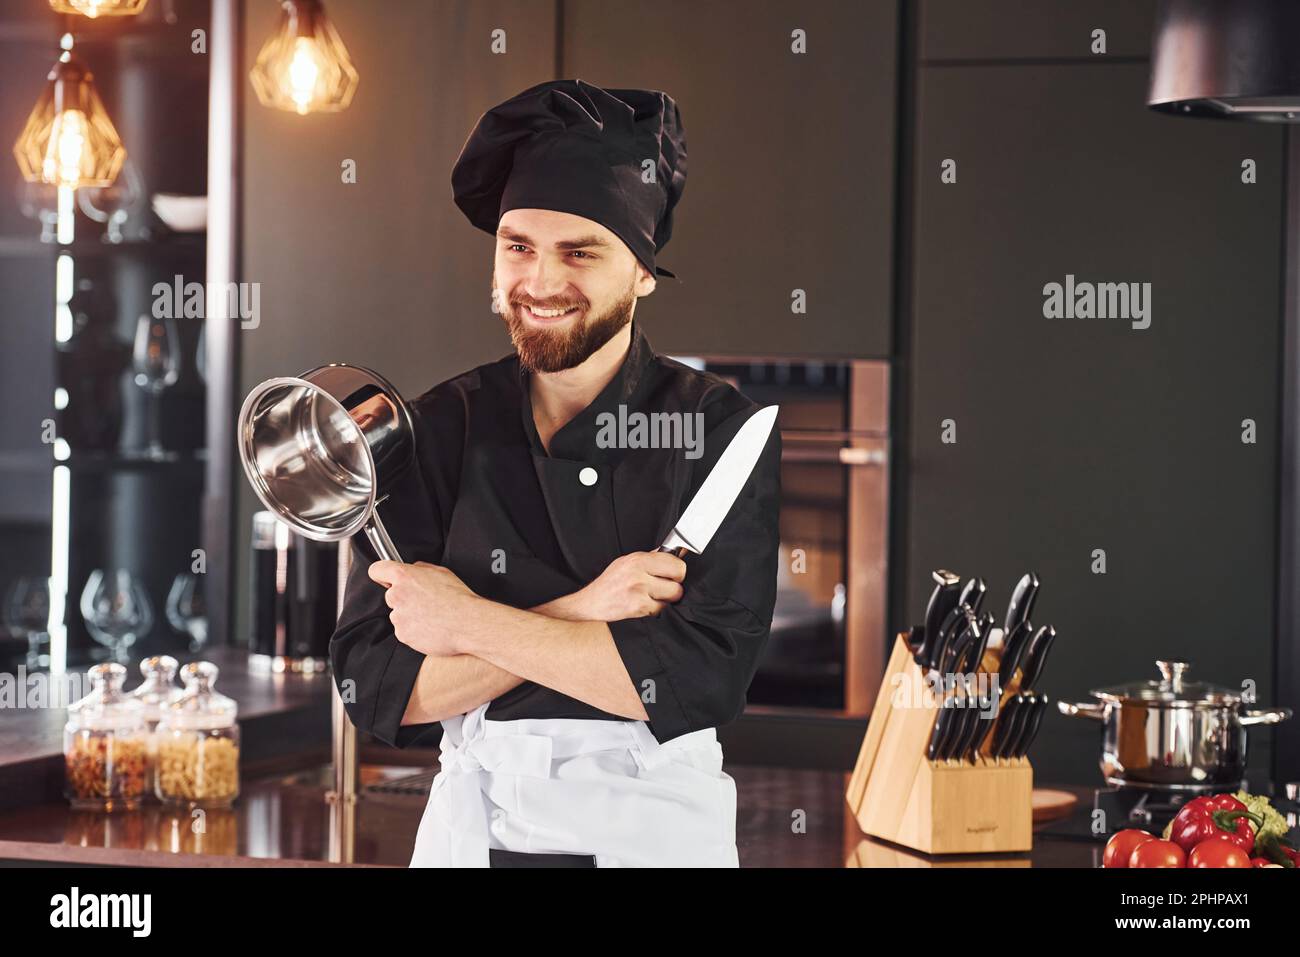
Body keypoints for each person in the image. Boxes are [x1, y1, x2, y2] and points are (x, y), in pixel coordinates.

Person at [329, 79, 782, 867]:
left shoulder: (717, 429)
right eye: (519, 247)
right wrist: (585, 610)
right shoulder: (433, 428)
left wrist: (463, 620)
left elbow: (697, 679)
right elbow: (378, 687)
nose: (540, 282)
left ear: (642, 271)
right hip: (474, 832)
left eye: (580, 251)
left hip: (655, 838)